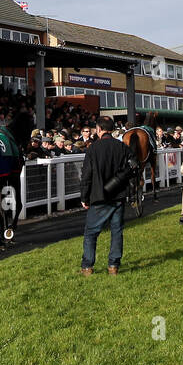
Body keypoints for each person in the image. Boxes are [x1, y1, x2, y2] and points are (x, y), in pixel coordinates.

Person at [79, 116, 130, 275]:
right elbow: (133, 167)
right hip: (118, 196)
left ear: (99, 129)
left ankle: (87, 266)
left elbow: (86, 175)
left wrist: (84, 197)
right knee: (116, 232)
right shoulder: (122, 147)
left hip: (99, 196)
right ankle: (113, 266)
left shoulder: (93, 148)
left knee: (91, 233)